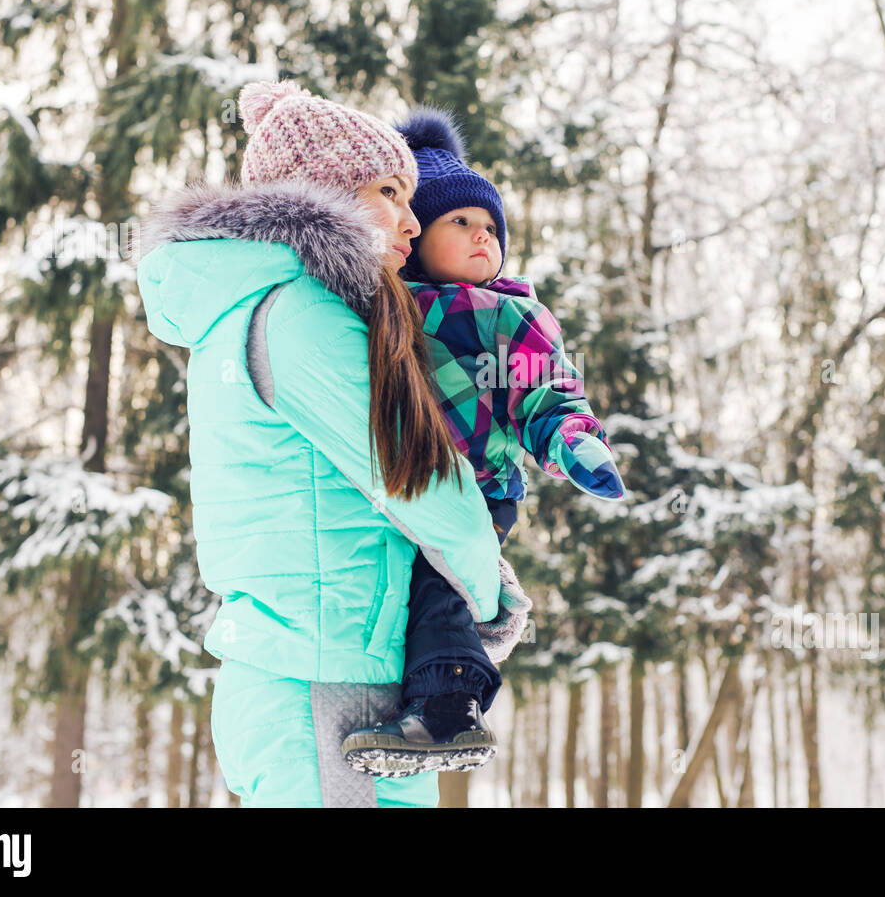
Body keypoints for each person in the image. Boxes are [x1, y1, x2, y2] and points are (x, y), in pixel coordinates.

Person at [134, 80, 508, 807]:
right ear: (326, 192)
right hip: (330, 684)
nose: (411, 217)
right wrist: (486, 600)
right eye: (390, 192)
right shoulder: (301, 314)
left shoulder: (251, 304)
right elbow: (422, 480)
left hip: (314, 677)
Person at [340, 108, 625, 776]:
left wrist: (573, 442)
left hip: (478, 486)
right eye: (459, 223)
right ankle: (411, 704)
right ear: (416, 235)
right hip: (396, 480)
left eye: (490, 226)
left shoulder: (509, 313)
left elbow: (547, 391)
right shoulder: (386, 301)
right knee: (397, 598)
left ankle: (449, 715)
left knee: (443, 590)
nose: (480, 237)